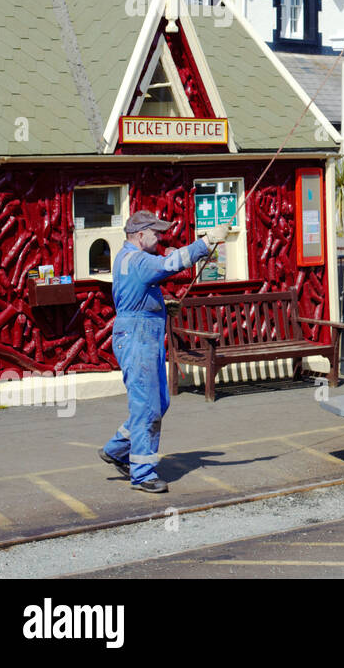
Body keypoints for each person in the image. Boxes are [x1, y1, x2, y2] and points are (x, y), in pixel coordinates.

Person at [98, 210, 229, 492]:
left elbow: (138, 292)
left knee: (157, 402)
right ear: (140, 235)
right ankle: (143, 474)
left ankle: (116, 449)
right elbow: (171, 264)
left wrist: (161, 305)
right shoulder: (139, 260)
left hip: (141, 332)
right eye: (155, 233)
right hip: (138, 336)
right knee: (147, 407)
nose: (159, 237)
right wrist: (206, 242)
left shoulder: (127, 257)